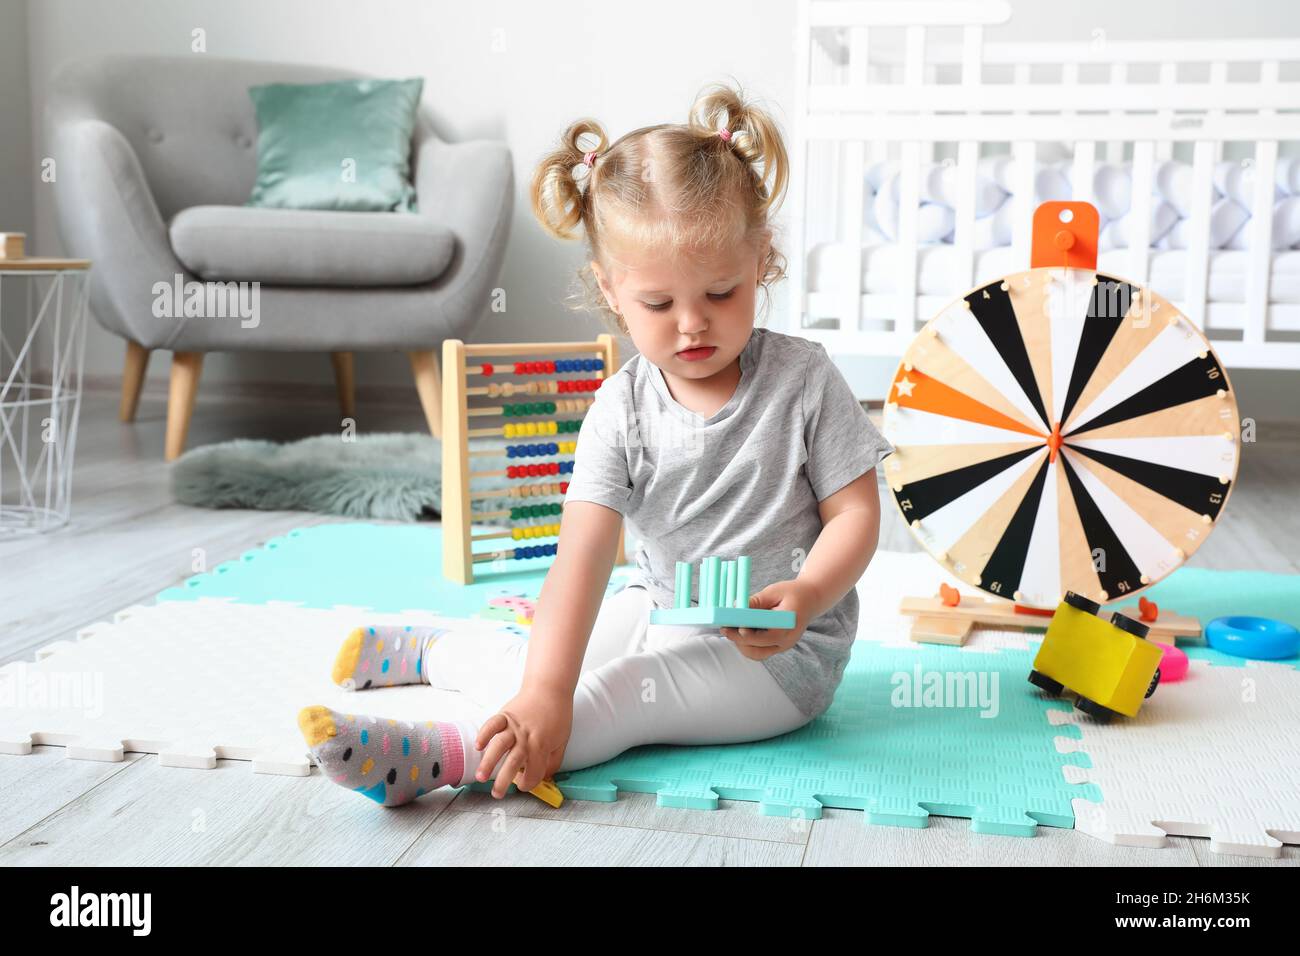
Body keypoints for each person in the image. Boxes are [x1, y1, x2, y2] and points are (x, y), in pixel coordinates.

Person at [297, 81, 894, 807]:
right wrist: (545, 688)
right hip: (660, 606)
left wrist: (805, 594)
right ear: (610, 290)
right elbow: (580, 557)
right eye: (658, 303)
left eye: (721, 292)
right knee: (542, 672)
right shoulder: (619, 409)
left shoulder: (804, 380)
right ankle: (436, 650)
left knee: (619, 695)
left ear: (760, 260)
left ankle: (444, 759)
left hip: (781, 657)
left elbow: (857, 517)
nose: (692, 325)